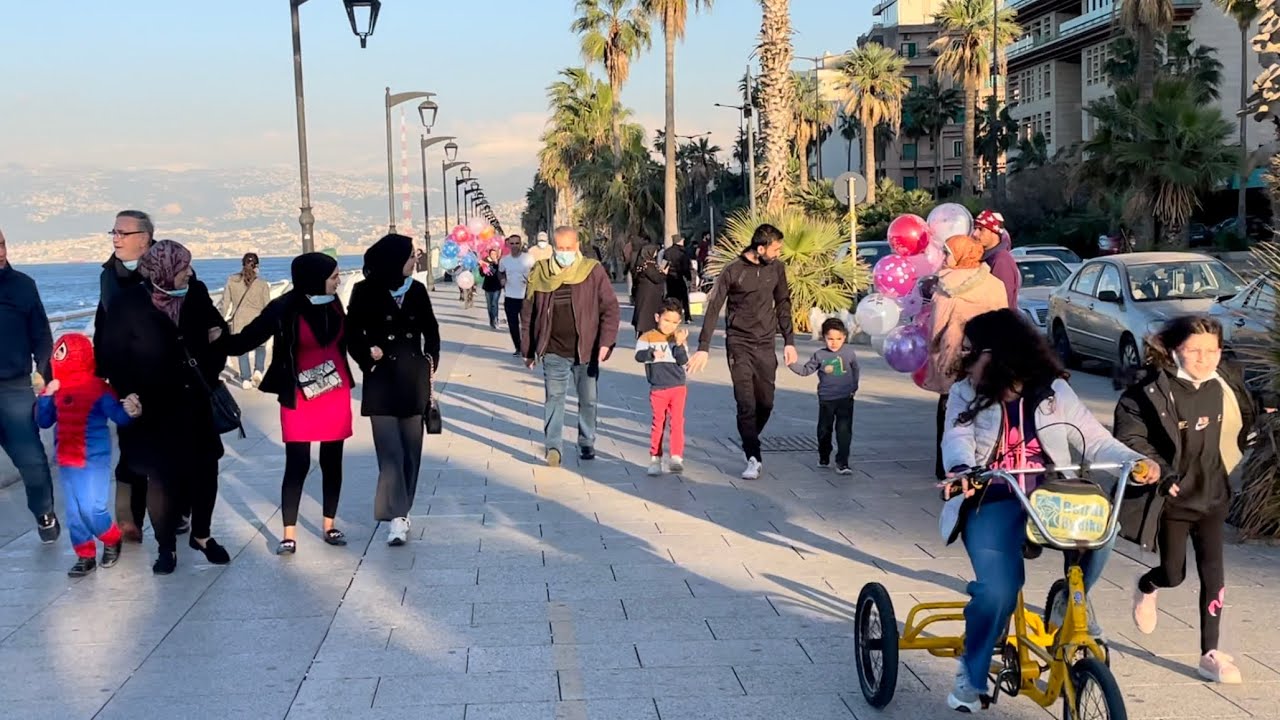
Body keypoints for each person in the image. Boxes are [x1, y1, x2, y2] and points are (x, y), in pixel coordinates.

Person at [940, 308, 1158, 712]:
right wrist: (963, 471)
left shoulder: (1055, 392)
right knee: (998, 591)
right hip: (995, 497)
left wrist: (1135, 461)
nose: (965, 359)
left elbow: (1095, 439)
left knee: (1102, 528)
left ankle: (1070, 600)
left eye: (973, 351)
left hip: (1051, 497)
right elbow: (956, 438)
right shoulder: (964, 394)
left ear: (1001, 352)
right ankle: (971, 671)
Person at [1115, 316, 1256, 684]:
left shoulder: (1225, 384)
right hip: (1173, 500)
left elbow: (1247, 415)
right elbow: (1131, 438)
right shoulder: (1150, 391)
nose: (1204, 358)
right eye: (1194, 350)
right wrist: (1159, 472)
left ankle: (1210, 653)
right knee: (1173, 574)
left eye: (1212, 350)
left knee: (1215, 576)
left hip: (1214, 497)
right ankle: (1147, 586)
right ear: (1175, 349)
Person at [96, 240, 232, 574]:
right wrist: (127, 393)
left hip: (194, 399)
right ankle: (166, 546)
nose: (188, 272)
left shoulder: (196, 294)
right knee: (161, 479)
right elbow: (111, 354)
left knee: (206, 470)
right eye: (183, 267)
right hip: (151, 407)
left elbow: (219, 332)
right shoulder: (128, 304)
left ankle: (201, 534)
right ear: (165, 270)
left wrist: (212, 358)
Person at [223, 253, 353, 555]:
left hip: (335, 393)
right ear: (315, 277)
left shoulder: (334, 303)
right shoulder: (285, 307)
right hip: (299, 396)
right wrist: (212, 342)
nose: (339, 281)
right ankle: (288, 533)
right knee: (298, 462)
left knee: (333, 461)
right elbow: (247, 339)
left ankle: (329, 525)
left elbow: (347, 342)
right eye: (334, 276)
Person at [347, 234, 441, 547]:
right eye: (411, 256)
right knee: (390, 453)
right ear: (393, 260)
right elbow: (351, 333)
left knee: (411, 451)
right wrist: (366, 355)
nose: (415, 261)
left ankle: (403, 508)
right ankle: (397, 517)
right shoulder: (364, 291)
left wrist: (432, 359)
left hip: (413, 380)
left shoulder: (417, 290)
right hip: (381, 381)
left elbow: (431, 328)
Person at [687, 223, 798, 480]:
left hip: (766, 343)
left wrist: (790, 341)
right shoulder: (733, 271)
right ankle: (753, 456)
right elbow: (714, 307)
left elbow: (783, 303)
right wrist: (703, 348)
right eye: (776, 249)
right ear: (760, 248)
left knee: (766, 402)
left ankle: (749, 435)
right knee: (745, 402)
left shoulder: (777, 269)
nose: (779, 253)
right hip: (739, 344)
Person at [36, 333, 141, 576]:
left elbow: (119, 417)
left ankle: (111, 538)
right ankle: (85, 554)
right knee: (74, 512)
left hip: (93, 460)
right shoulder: (58, 389)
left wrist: (132, 411)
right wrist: (46, 396)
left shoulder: (98, 388)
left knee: (92, 508)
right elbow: (44, 421)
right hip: (66, 460)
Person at [520, 226, 621, 467]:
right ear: (554, 247)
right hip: (553, 348)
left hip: (586, 350)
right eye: (560, 248)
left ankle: (586, 441)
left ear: (577, 247)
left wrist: (606, 343)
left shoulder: (592, 271)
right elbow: (528, 313)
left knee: (588, 400)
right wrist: (528, 350)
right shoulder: (541, 272)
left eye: (569, 248)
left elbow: (610, 308)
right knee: (554, 398)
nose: (564, 253)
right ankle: (553, 447)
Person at [923, 234, 1009, 480]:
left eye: (949, 252)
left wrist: (933, 348)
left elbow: (937, 326)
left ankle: (947, 465)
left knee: (950, 409)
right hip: (988, 356)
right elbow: (1004, 320)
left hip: (955, 356)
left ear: (961, 254)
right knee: (988, 406)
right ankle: (987, 459)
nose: (946, 257)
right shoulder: (994, 284)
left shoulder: (946, 286)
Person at [95, 209, 158, 542]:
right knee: (131, 444)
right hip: (124, 376)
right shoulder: (108, 275)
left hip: (162, 374)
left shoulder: (169, 269)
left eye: (123, 233)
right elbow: (101, 322)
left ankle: (174, 512)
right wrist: (98, 370)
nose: (116, 238)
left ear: (144, 240)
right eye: (114, 233)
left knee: (165, 447)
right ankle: (128, 519)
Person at [0, 229, 58, 542]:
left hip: (15, 388)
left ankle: (44, 512)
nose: (0, 251)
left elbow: (41, 334)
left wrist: (47, 378)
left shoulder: (23, 285)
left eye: (2, 243)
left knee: (32, 459)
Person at [788, 317, 860, 475]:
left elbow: (855, 370)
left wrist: (854, 387)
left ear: (844, 337)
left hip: (845, 399)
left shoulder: (849, 353)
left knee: (844, 430)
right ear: (824, 338)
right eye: (830, 339)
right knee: (824, 430)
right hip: (827, 399)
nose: (834, 343)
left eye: (838, 339)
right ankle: (824, 455)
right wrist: (792, 364)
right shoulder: (820, 355)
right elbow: (806, 370)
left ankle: (842, 462)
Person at [635, 299, 689, 477]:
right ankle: (655, 458)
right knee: (658, 422)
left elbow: (682, 360)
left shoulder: (679, 337)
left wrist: (679, 345)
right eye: (666, 320)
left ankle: (676, 457)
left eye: (674, 322)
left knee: (677, 421)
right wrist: (651, 353)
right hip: (658, 387)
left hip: (678, 386)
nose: (670, 326)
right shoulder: (647, 337)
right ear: (657, 317)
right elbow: (639, 356)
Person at [220, 252, 272, 389]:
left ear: (242, 264)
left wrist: (220, 318)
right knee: (260, 347)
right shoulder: (262, 284)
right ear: (257, 266)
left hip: (239, 321)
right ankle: (258, 370)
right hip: (258, 321)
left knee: (242, 350)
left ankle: (246, 379)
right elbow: (268, 306)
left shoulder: (232, 281)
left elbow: (225, 303)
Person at [973, 210, 1020, 309]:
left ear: (994, 232)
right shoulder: (989, 258)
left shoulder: (1001, 261)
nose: (975, 234)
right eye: (975, 228)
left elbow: (1002, 301)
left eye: (981, 229)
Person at [499, 235, 533, 356]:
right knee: (513, 325)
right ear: (508, 245)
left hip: (525, 297)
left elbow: (535, 273)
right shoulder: (504, 260)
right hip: (510, 297)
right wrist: (502, 280)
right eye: (512, 243)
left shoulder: (529, 259)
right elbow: (501, 272)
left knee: (526, 325)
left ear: (521, 244)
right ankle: (518, 347)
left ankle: (527, 348)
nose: (514, 246)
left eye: (516, 243)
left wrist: (530, 281)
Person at [631, 245, 666, 337]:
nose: (655, 253)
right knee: (647, 316)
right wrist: (664, 273)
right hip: (650, 296)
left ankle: (642, 333)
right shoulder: (648, 264)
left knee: (643, 314)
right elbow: (657, 278)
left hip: (643, 294)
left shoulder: (640, 263)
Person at [663, 236, 693, 322]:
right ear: (679, 241)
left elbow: (664, 264)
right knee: (684, 298)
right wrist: (689, 277)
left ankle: (669, 314)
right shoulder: (683, 252)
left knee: (671, 296)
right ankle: (687, 316)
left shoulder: (667, 252)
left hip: (669, 278)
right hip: (679, 277)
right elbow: (686, 267)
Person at [480, 247, 503, 329]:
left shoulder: (500, 263)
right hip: (487, 286)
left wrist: (495, 264)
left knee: (494, 304)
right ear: (489, 254)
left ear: (497, 255)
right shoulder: (485, 262)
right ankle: (491, 320)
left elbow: (500, 272)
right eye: (491, 254)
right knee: (489, 305)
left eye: (494, 254)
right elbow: (482, 274)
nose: (493, 255)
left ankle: (496, 320)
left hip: (497, 287)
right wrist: (483, 268)